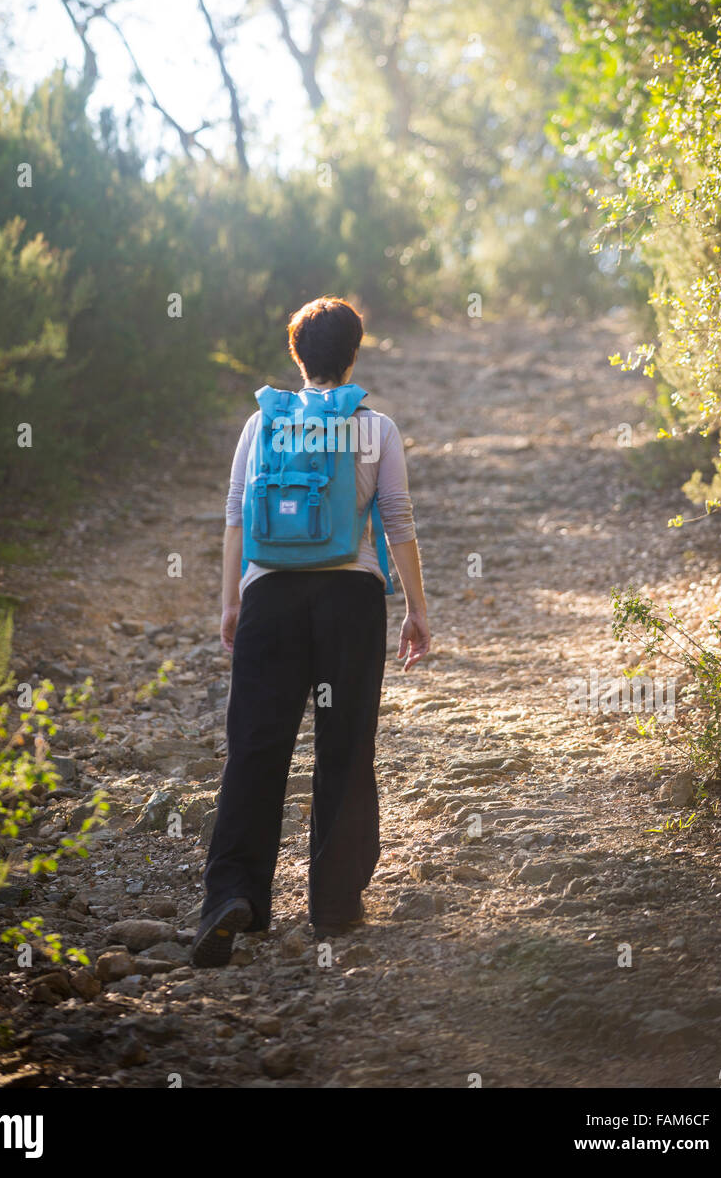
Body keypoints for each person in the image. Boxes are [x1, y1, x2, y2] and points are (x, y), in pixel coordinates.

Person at [191, 296, 430, 967]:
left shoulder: (260, 423)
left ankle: (231, 894)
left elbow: (236, 517)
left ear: (298, 355)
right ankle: (333, 903)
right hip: (350, 600)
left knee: (256, 748)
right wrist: (415, 607)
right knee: (345, 744)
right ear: (352, 353)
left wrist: (231, 603)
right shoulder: (373, 427)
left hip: (268, 597)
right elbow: (397, 522)